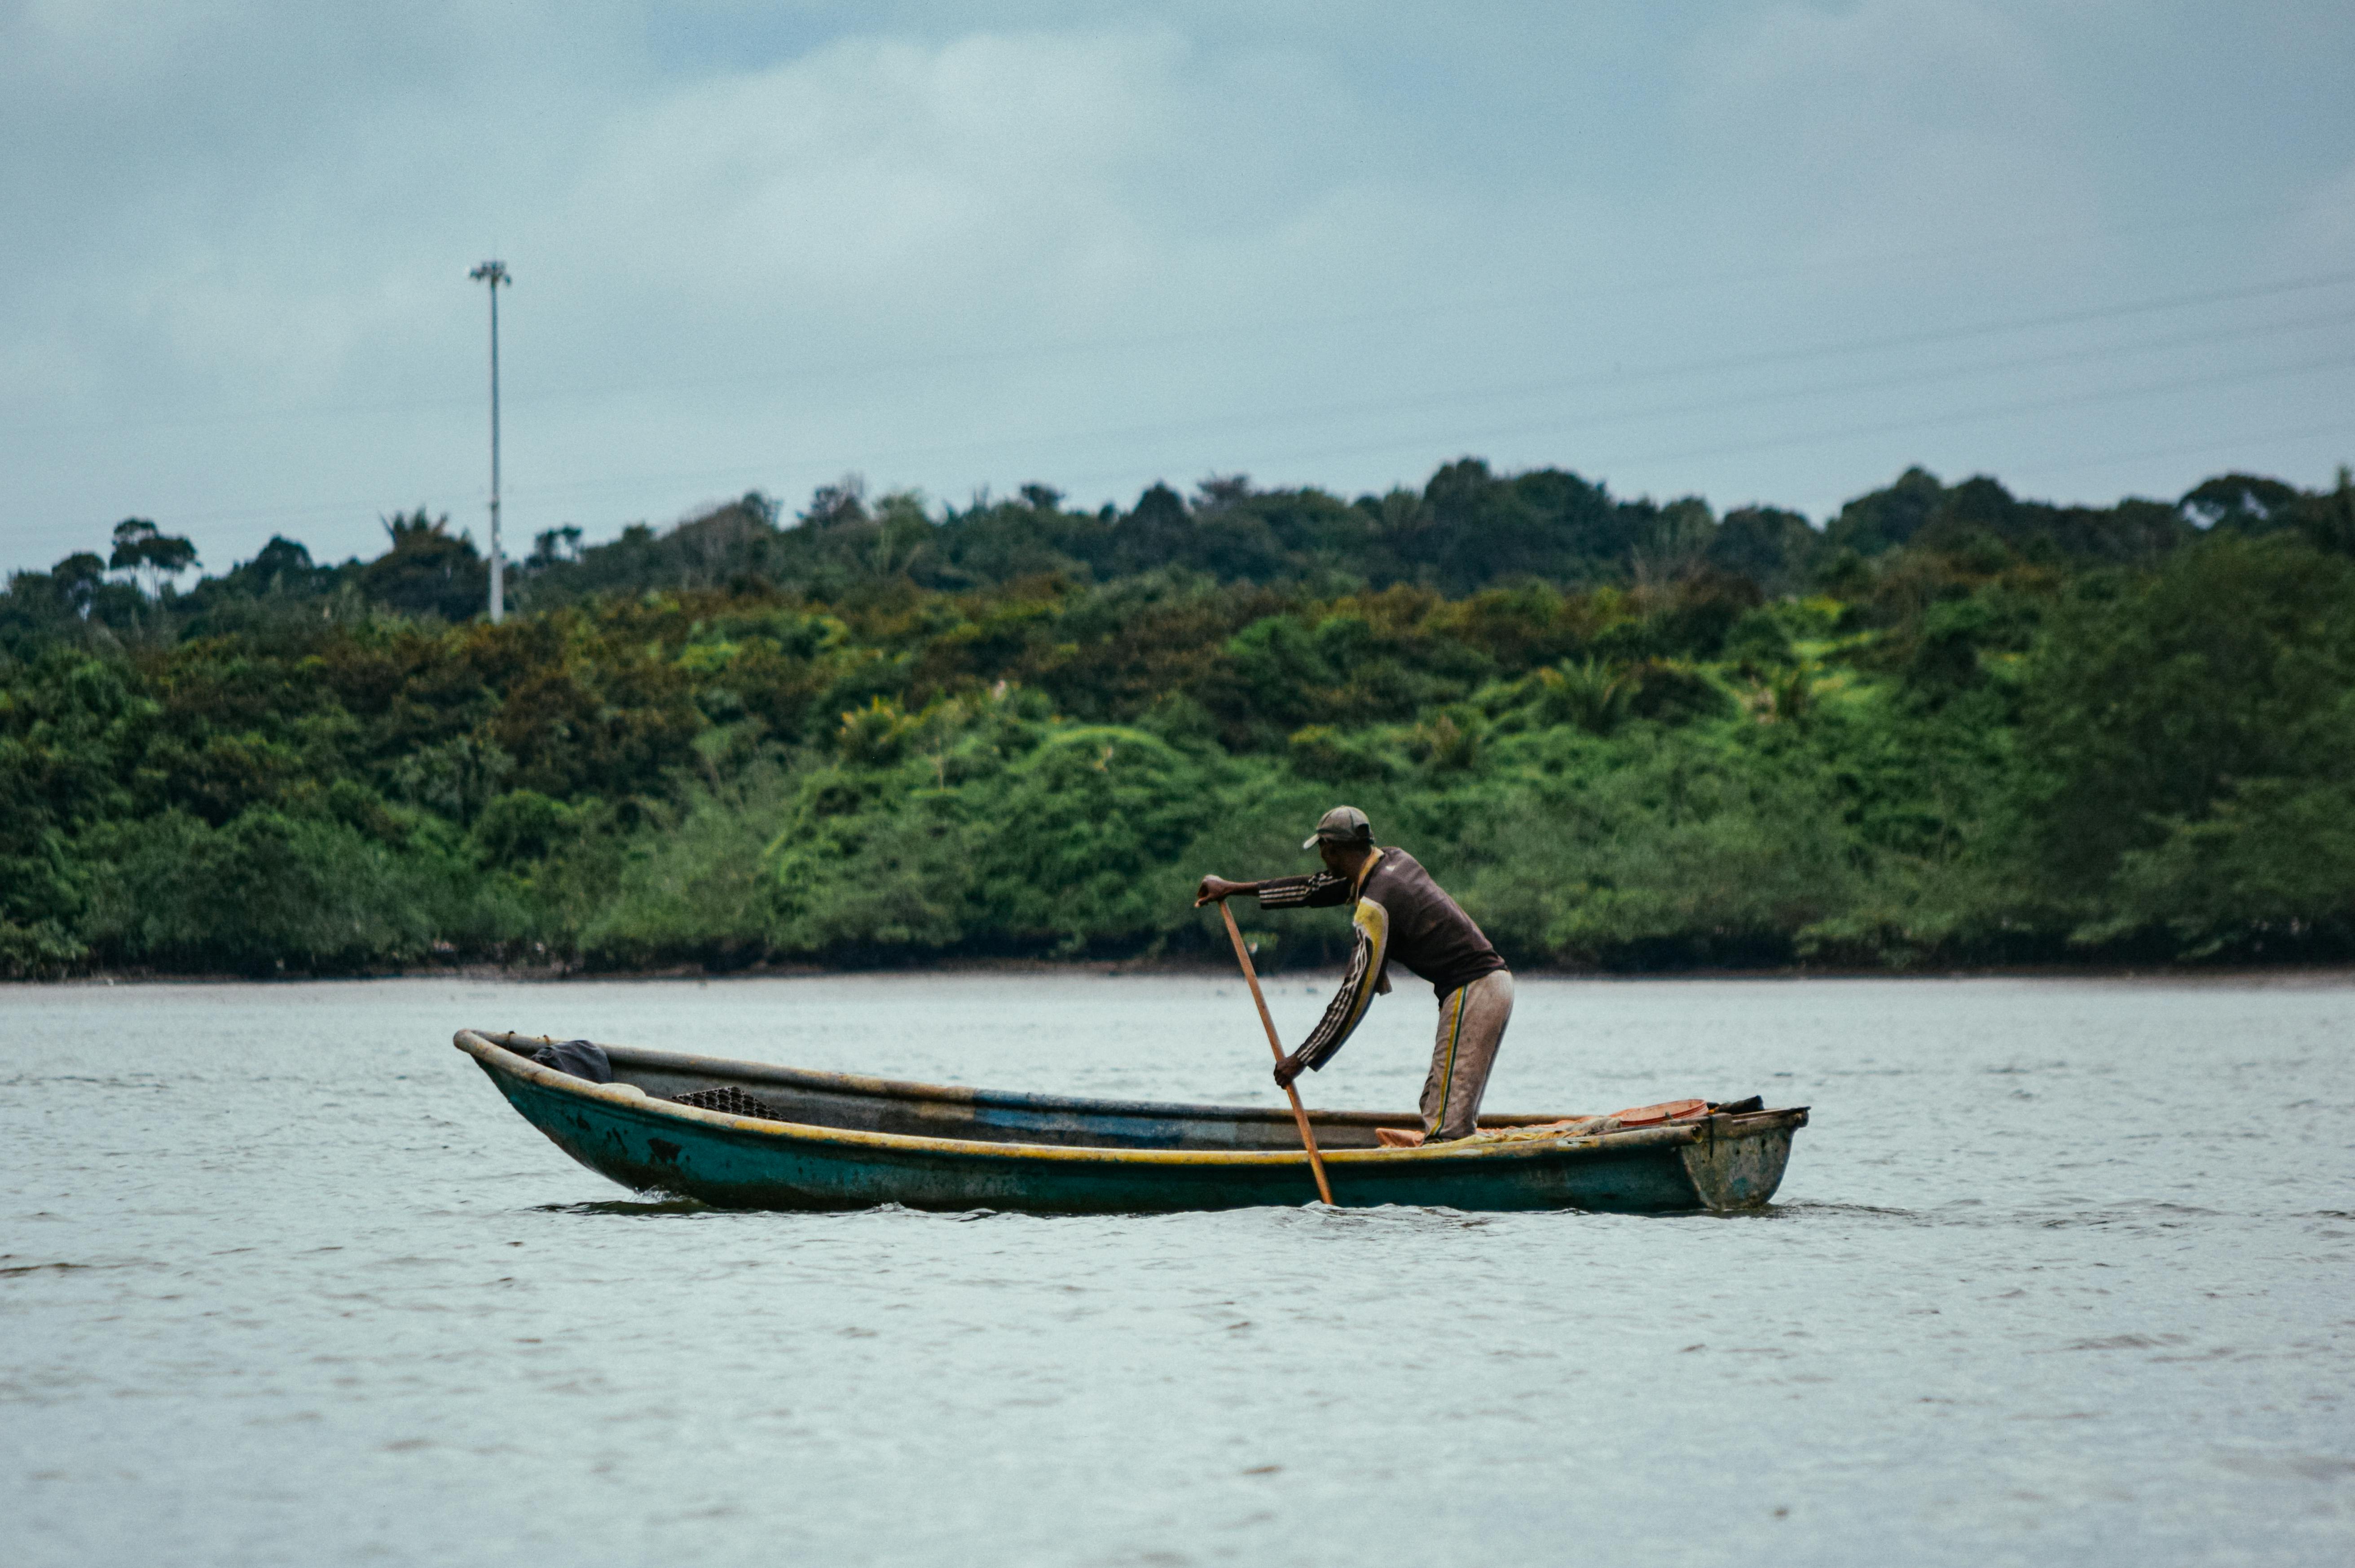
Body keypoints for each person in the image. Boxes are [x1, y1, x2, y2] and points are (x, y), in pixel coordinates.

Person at [1196, 806, 1513, 1144]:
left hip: (1476, 990)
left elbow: (1352, 998)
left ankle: (1448, 1181)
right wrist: (1231, 889)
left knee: (1448, 1128)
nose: (1322, 859)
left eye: (1322, 850)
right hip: (1481, 989)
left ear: (1328, 849)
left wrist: (1300, 1059)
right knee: (1437, 1106)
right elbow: (1314, 889)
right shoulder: (1393, 861)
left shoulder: (1376, 904)